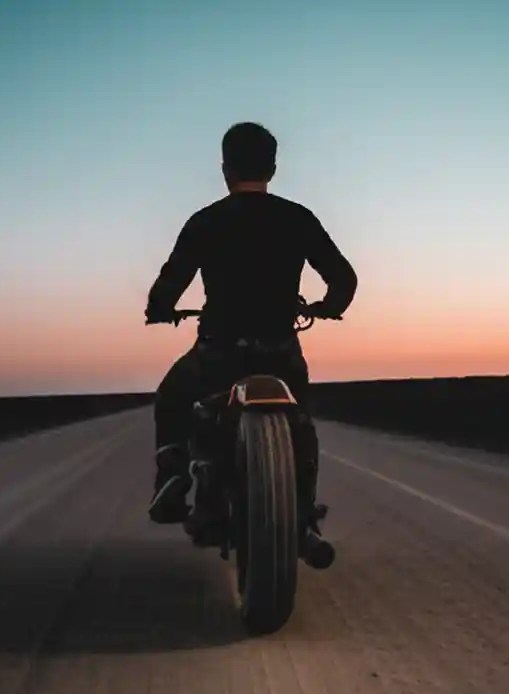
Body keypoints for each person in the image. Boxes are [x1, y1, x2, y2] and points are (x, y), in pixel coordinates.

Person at [144, 121, 358, 524]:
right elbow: (344, 278)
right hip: (279, 348)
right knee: (301, 419)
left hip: (218, 349)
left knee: (171, 396)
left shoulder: (204, 221)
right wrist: (329, 305)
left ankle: (172, 479)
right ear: (273, 168)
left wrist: (159, 310)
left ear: (226, 168)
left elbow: (171, 280)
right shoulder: (297, 217)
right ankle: (303, 506)